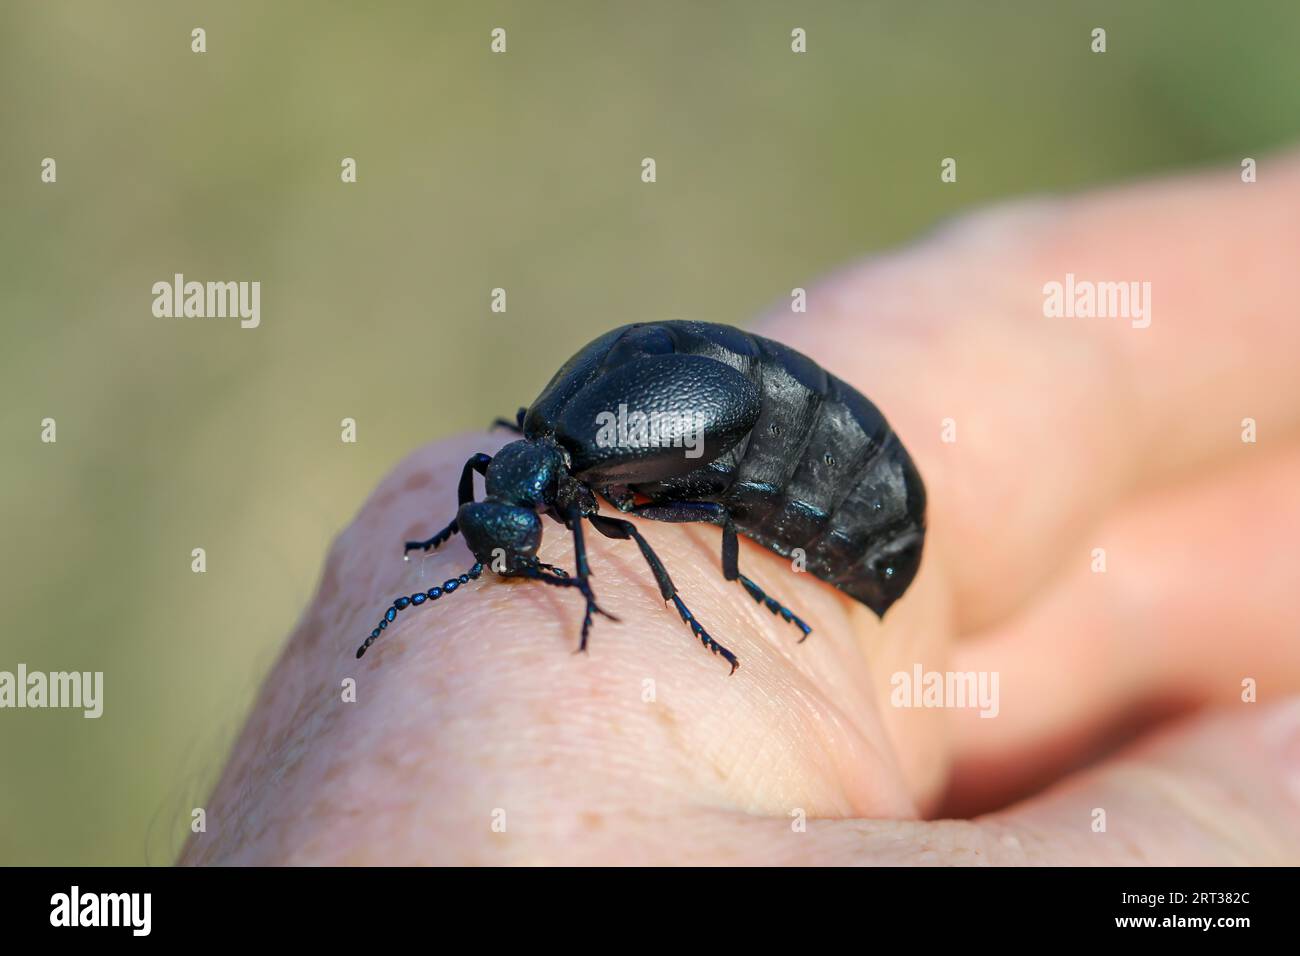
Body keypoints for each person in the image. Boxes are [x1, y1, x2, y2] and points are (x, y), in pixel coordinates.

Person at [182, 152, 1300, 865]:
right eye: (496, 541)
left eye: (504, 541)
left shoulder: (564, 474)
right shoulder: (521, 467)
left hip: (761, 441)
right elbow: (498, 494)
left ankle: (728, 604)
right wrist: (452, 541)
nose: (509, 549)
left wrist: (710, 609)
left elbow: (679, 506)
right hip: (717, 415)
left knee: (696, 509)